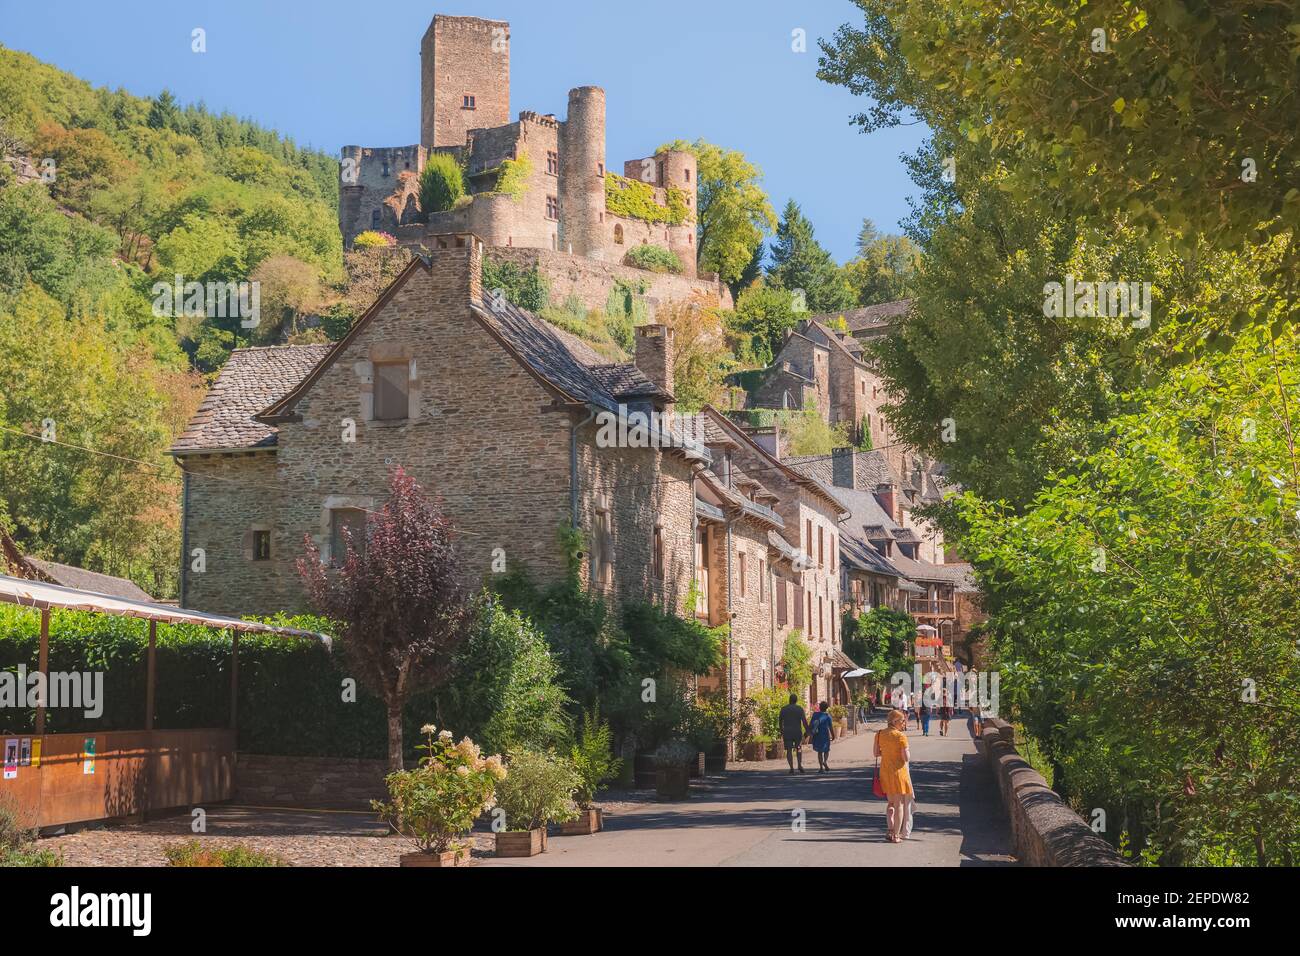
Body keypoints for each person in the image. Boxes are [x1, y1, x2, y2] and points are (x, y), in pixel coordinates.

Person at [874, 709, 915, 843]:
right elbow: (906, 757)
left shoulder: (879, 734)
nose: (904, 723)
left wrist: (888, 753)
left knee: (890, 802)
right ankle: (896, 835)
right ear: (895, 721)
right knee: (899, 804)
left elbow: (876, 753)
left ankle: (890, 829)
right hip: (898, 772)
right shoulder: (901, 736)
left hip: (885, 771)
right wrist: (905, 751)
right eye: (903, 720)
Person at [779, 693, 810, 774]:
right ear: (796, 700)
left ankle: (791, 768)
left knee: (789, 750)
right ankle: (799, 765)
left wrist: (781, 731)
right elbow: (804, 722)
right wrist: (807, 731)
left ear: (789, 700)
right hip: (797, 732)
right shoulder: (799, 709)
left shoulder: (783, 709)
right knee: (799, 748)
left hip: (787, 732)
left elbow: (780, 721)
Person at [808, 701, 834, 772]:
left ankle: (821, 768)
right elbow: (831, 727)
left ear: (819, 707)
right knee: (826, 750)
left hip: (817, 735)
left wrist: (808, 732)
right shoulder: (827, 716)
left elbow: (811, 725)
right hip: (825, 735)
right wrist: (833, 735)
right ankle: (825, 761)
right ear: (827, 708)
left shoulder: (815, 715)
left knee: (819, 751)